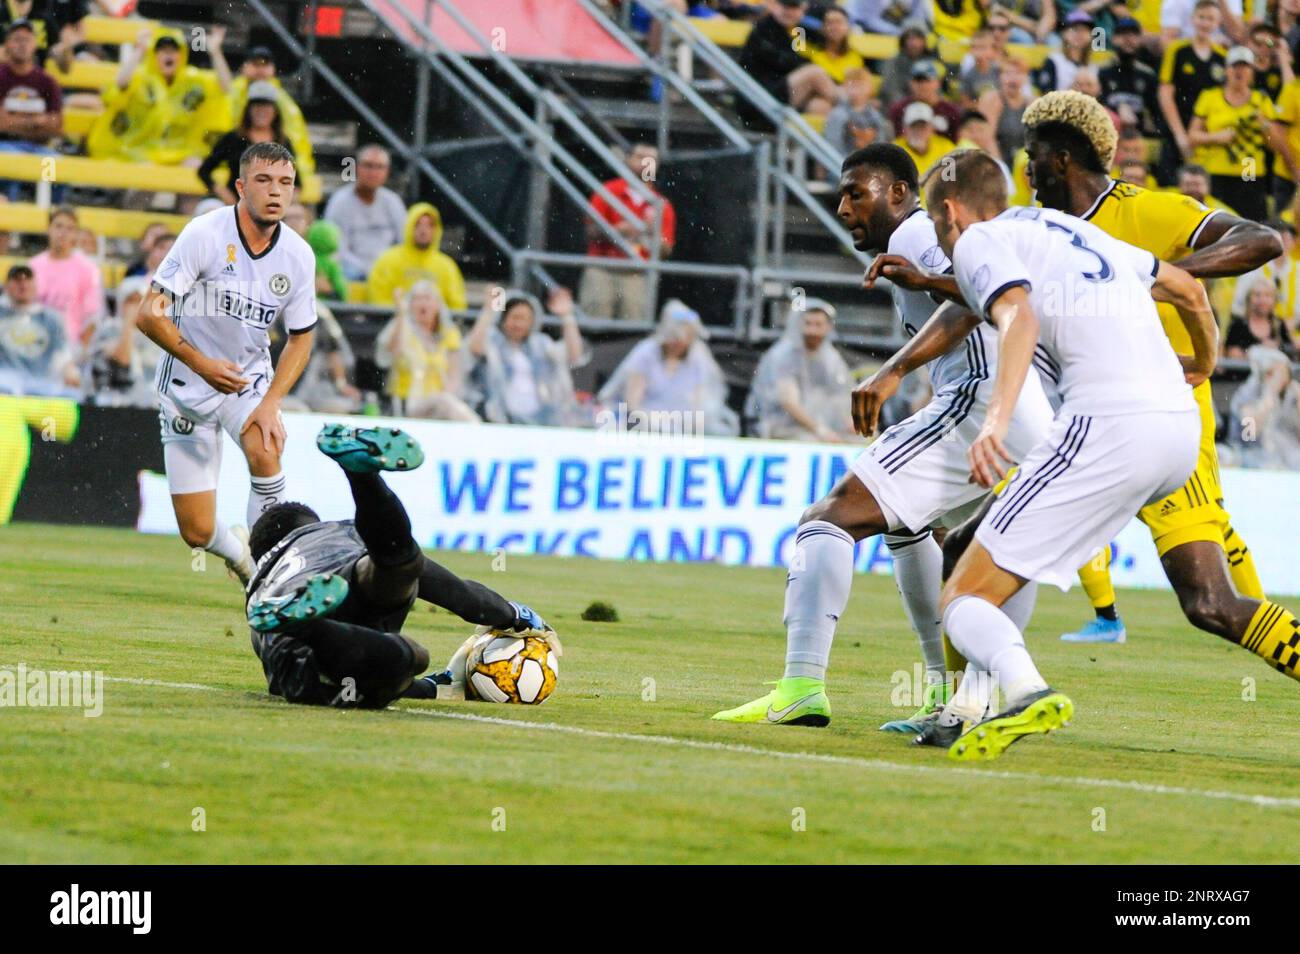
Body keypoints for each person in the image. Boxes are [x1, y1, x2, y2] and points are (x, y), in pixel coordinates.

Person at [938, 91, 1300, 673]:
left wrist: (1166, 278)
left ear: (1060, 159)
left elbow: (1262, 240)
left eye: (1032, 154)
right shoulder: (1035, 229)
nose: (1023, 169)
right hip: (1086, 424)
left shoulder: (1144, 211)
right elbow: (997, 297)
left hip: (1165, 414)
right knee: (964, 544)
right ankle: (963, 703)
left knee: (1209, 600)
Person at [713, 143, 1053, 730]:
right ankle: (947, 700)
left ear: (898, 192)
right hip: (1022, 416)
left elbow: (979, 297)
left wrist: (892, 369)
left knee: (828, 518)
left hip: (979, 403)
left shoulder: (915, 235)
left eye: (856, 192)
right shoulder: (920, 238)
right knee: (920, 533)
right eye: (841, 194)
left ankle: (799, 686)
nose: (844, 207)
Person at [919, 149, 1213, 759]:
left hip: (1108, 425)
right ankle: (971, 706)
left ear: (951, 211)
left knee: (959, 599)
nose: (946, 251)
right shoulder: (1072, 229)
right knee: (1000, 552)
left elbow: (1018, 319)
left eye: (936, 228)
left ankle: (1026, 692)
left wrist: (994, 422)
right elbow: (1187, 288)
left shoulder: (978, 241)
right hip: (1178, 434)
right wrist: (1206, 364)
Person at [244, 423, 557, 709]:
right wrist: (513, 615)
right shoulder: (333, 531)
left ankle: (310, 627)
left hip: (298, 649)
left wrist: (431, 687)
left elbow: (275, 657)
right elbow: (454, 591)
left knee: (402, 658)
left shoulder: (259, 590)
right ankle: (363, 476)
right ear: (311, 524)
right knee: (396, 567)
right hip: (351, 573)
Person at [135, 142, 317, 585]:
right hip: (186, 386)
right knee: (197, 531)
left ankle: (267, 576)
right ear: (240, 186)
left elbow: (301, 337)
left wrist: (271, 402)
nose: (276, 191)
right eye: (263, 180)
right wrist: (201, 364)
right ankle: (238, 552)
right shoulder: (205, 234)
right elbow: (148, 312)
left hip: (245, 382)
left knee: (265, 443)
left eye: (285, 182)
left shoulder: (298, 256)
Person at [88, 26, 230, 165]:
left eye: (173, 50)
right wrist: (140, 50)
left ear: (181, 54)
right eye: (162, 51)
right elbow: (121, 83)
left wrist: (215, 52)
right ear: (154, 55)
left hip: (177, 150)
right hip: (139, 149)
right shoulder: (142, 78)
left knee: (196, 165)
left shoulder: (192, 80)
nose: (168, 55)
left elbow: (225, 87)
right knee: (146, 170)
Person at [1188, 45, 1298, 222]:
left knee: (1251, 221)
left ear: (1252, 71)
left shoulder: (1261, 100)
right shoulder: (1210, 96)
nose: (1240, 71)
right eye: (1235, 66)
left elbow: (1275, 145)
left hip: (1249, 169)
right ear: (1226, 70)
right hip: (1216, 171)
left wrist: (1265, 126)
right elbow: (1192, 137)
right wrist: (1216, 137)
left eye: (1245, 67)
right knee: (1216, 223)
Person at [597, 299, 738, 436]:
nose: (680, 342)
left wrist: (688, 425)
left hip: (686, 425)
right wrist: (660, 424)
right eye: (676, 337)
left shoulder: (699, 355)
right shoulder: (646, 353)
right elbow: (633, 404)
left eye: (687, 337)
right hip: (648, 423)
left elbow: (703, 401)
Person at [578, 142, 676, 322]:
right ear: (628, 160)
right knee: (594, 324)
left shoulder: (661, 204)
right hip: (602, 267)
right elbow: (590, 231)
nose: (646, 163)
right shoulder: (608, 191)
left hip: (637, 272)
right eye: (640, 157)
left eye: (652, 159)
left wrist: (650, 235)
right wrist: (618, 230)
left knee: (633, 329)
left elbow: (666, 249)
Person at [466, 287, 588, 427]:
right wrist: (489, 310)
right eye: (515, 317)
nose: (519, 324)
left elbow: (574, 356)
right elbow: (474, 348)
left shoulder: (541, 344)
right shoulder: (493, 342)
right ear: (504, 318)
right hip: (502, 420)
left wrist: (567, 316)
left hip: (542, 420)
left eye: (525, 318)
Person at [743, 300, 858, 445]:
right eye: (808, 323)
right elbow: (788, 402)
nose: (812, 331)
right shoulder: (784, 356)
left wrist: (850, 424)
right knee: (811, 442)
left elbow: (839, 396)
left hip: (821, 428)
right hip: (782, 427)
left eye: (818, 325)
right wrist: (820, 430)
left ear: (828, 327)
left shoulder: (831, 358)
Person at [374, 280, 478, 421]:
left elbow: (455, 375)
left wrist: (446, 397)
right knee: (445, 403)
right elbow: (392, 352)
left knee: (445, 403)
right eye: (417, 299)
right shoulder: (402, 326)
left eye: (427, 298)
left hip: (441, 404)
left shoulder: (449, 333)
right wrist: (401, 314)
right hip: (406, 404)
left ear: (437, 305)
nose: (422, 304)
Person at [225, 45, 315, 179]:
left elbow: (297, 140)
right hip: (232, 162)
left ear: (273, 69)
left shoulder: (283, 102)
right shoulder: (229, 93)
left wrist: (299, 171)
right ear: (244, 67)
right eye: (255, 64)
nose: (260, 70)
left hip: (270, 165)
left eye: (265, 65)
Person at [198, 80, 293, 206]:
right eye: (257, 106)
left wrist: (283, 200)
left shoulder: (283, 141)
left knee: (295, 215)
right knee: (211, 207)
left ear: (275, 111)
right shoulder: (234, 138)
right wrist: (224, 193)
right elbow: (204, 171)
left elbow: (297, 182)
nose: (261, 111)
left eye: (266, 106)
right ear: (248, 110)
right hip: (234, 202)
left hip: (272, 204)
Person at [1158, 0, 1228, 172]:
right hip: (1178, 127)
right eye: (1201, 17)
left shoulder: (1222, 57)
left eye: (1210, 18)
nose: (1205, 23)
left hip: (1206, 136)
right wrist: (1180, 135)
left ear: (1218, 23)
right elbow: (1165, 93)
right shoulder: (1177, 50)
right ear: (1192, 20)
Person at [737, 0, 839, 116]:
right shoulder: (764, 28)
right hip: (757, 100)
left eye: (795, 7)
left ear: (803, 9)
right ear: (773, 5)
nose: (790, 12)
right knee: (814, 72)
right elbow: (785, 61)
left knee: (820, 105)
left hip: (778, 97)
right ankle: (852, 109)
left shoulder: (798, 30)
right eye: (785, 6)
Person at [323, 144, 407, 281]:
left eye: (379, 167)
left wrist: (385, 267)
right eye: (368, 165)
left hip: (388, 270)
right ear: (356, 168)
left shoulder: (393, 202)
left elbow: (404, 243)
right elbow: (336, 248)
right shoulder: (340, 202)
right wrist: (368, 270)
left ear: (387, 172)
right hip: (351, 272)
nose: (373, 172)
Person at [0, 18, 62, 199]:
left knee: (55, 170)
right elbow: (1, 124)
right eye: (17, 39)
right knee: (12, 168)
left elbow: (56, 126)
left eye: (26, 40)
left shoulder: (47, 82)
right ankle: (11, 221)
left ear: (35, 44)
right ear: (7, 45)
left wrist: (15, 122)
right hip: (5, 146)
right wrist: (36, 122)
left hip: (38, 148)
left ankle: (51, 217)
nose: (22, 45)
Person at [366, 202, 466, 310]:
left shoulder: (447, 266)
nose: (423, 230)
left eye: (430, 225)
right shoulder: (387, 261)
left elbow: (457, 306)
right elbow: (377, 300)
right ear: (409, 227)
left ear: (437, 230)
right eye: (417, 224)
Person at [29, 205, 102, 349]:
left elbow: (93, 317)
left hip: (70, 347)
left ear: (76, 234)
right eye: (58, 226)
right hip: (34, 345)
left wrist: (80, 352)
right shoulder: (33, 266)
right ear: (48, 229)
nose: (63, 233)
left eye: (70, 228)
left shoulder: (87, 269)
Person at [0, 261, 78, 396]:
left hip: (39, 382)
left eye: (27, 279)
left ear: (35, 285)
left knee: (70, 396)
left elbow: (62, 355)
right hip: (4, 380)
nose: (23, 285)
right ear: (6, 286)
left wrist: (70, 371)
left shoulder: (50, 318)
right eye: (17, 280)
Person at [87, 275, 159, 408]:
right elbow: (122, 362)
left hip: (147, 403)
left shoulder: (153, 333)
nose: (134, 307)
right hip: (110, 399)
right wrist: (128, 325)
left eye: (138, 301)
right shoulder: (108, 328)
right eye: (129, 301)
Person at [1229, 345, 1300, 468]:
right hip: (1248, 452)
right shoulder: (1247, 393)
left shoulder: (1290, 394)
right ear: (1267, 374)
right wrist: (1269, 396)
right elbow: (1250, 433)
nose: (1285, 379)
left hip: (1285, 454)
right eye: (1281, 373)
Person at [1100, 16, 1163, 139]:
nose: (1128, 39)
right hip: (1108, 135)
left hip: (1140, 138)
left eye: (1133, 35)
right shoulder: (1103, 72)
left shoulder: (1147, 75)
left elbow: (1157, 113)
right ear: (1113, 39)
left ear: (1140, 39)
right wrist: (1118, 108)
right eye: (1122, 34)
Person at [0, 0, 86, 74]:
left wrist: (63, 51)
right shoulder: (2, 14)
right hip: (5, 79)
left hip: (37, 79)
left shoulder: (44, 16)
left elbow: (64, 65)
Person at [888, 59, 963, 139]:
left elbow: (957, 141)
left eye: (927, 80)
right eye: (918, 80)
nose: (922, 85)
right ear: (910, 83)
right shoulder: (898, 109)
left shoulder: (951, 111)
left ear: (938, 82)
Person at [821, 67, 890, 154]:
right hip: (842, 162)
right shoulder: (837, 115)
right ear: (845, 87)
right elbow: (833, 146)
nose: (856, 91)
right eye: (852, 85)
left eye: (860, 86)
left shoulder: (875, 116)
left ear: (870, 88)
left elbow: (880, 143)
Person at [979, 55, 1032, 163]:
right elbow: (987, 139)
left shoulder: (1032, 103)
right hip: (995, 160)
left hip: (1023, 164)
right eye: (1008, 73)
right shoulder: (992, 100)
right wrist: (1002, 169)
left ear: (1026, 78)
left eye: (1018, 73)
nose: (1013, 78)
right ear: (1000, 77)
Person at [1225, 281, 1293, 358]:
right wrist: (1260, 351)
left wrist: (1277, 347)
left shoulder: (1279, 324)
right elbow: (1232, 354)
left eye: (1267, 295)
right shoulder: (1238, 324)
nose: (1262, 300)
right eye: (1257, 295)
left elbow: (1290, 352)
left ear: (1274, 300)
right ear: (1249, 299)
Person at [1034, 9, 1096, 93]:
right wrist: (1073, 89)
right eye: (1075, 29)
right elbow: (1046, 94)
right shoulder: (1054, 61)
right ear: (1064, 33)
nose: (1080, 34)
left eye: (1084, 30)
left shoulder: (1093, 66)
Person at [893, 101, 955, 177]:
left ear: (932, 128)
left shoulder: (946, 148)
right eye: (913, 126)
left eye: (923, 126)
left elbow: (951, 180)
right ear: (904, 129)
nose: (918, 131)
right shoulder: (894, 152)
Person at [804, 6, 864, 84]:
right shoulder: (811, 54)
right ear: (823, 28)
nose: (834, 27)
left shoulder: (855, 58)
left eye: (839, 22)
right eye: (830, 22)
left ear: (848, 27)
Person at [878, 24, 931, 106]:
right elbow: (890, 90)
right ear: (904, 41)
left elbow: (935, 89)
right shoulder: (893, 62)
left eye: (918, 38)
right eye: (910, 38)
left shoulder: (930, 61)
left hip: (926, 105)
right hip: (898, 106)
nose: (914, 43)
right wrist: (906, 105)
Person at [844, 0, 929, 36]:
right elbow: (870, 20)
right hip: (861, 25)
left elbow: (918, 16)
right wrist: (900, 32)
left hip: (899, 30)